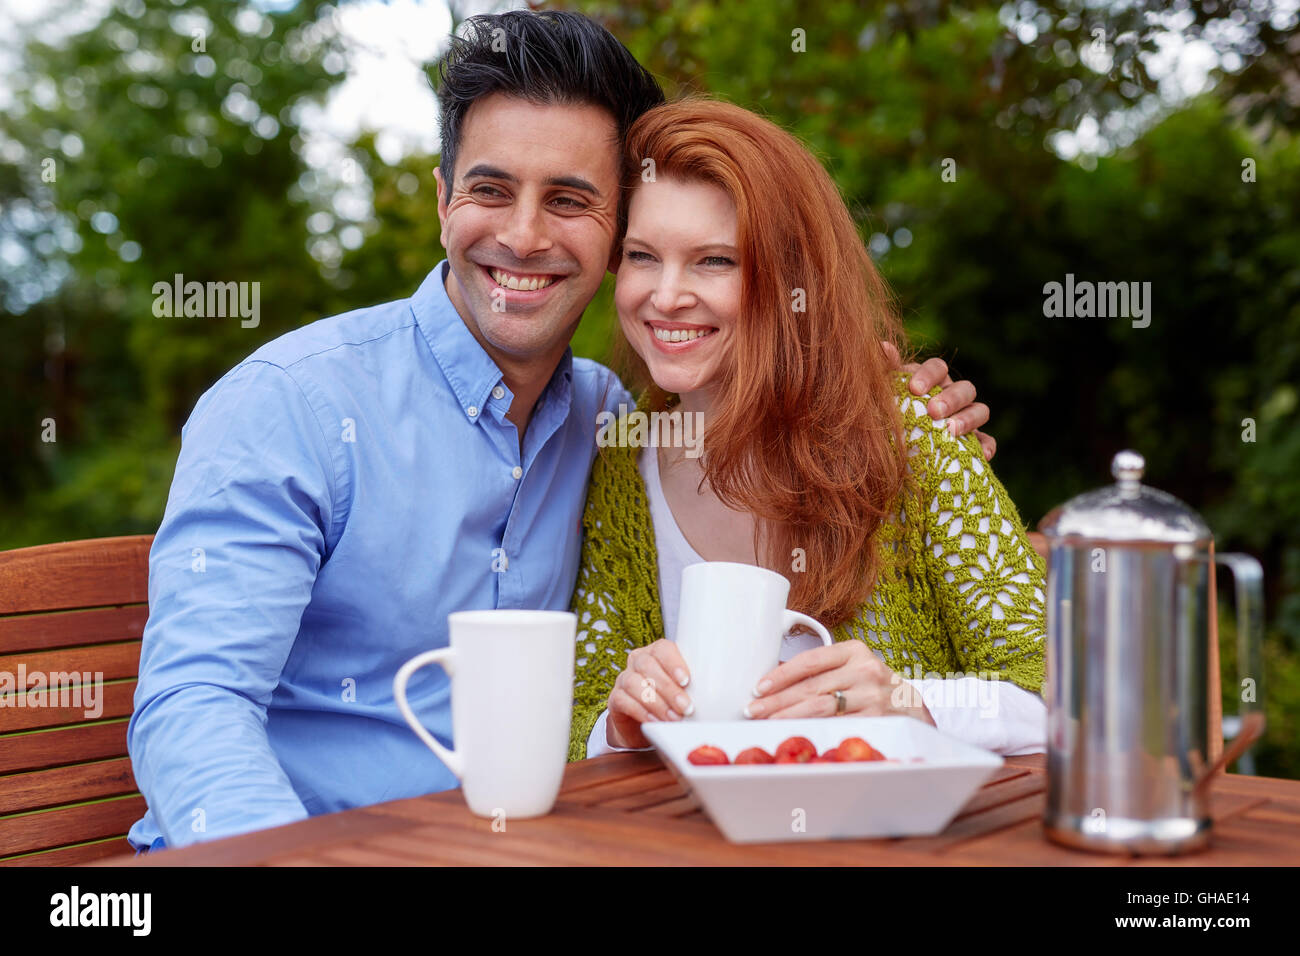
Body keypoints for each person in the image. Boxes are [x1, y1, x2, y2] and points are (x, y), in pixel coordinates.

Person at [127, 11, 990, 851]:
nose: (523, 235)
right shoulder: (294, 407)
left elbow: (764, 408)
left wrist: (888, 412)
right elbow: (195, 706)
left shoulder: (610, 424)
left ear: (619, 233)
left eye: (570, 200)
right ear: (441, 201)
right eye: (490, 189)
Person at [568, 98, 1046, 762]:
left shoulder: (915, 432)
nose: (667, 295)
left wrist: (907, 703)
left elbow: (1059, 698)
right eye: (643, 255)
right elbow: (581, 719)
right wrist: (620, 723)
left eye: (714, 261)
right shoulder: (624, 464)